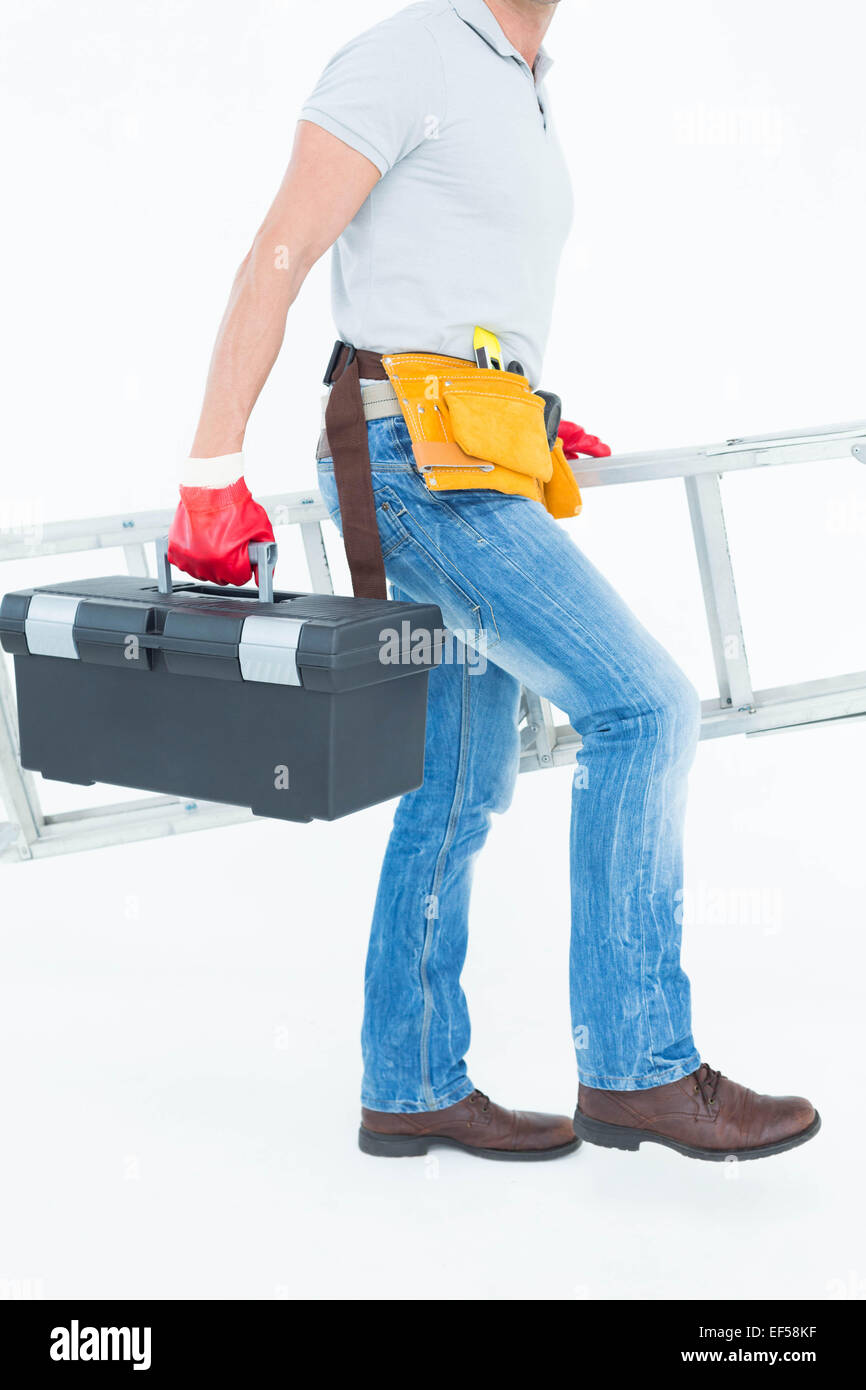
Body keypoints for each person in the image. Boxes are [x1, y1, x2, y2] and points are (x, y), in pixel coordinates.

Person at [169, 0, 818, 1162]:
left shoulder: (524, 75)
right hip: (412, 474)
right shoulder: (408, 53)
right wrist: (209, 468)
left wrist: (523, 426)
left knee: (458, 780)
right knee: (642, 707)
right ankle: (638, 1068)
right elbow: (277, 251)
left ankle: (410, 1081)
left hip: (462, 459)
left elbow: (448, 307)